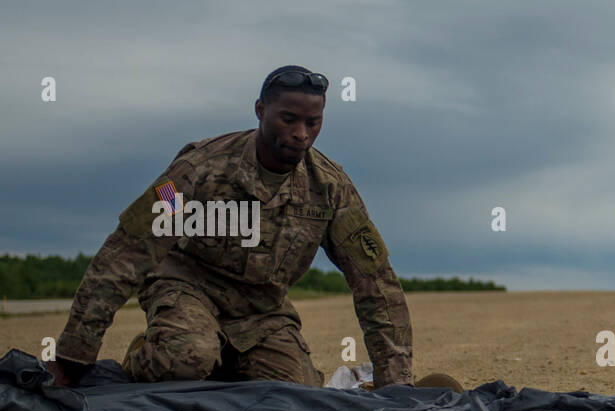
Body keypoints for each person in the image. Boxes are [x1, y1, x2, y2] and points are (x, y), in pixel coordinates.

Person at [46, 66, 414, 389]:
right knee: (186, 360)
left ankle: (226, 366)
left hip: (262, 313)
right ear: (261, 111)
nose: (301, 133)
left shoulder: (330, 188)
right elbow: (129, 250)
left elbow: (375, 282)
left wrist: (395, 383)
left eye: (313, 123)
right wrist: (74, 355)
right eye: (289, 119)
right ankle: (148, 354)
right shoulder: (198, 170)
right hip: (187, 289)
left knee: (295, 396)